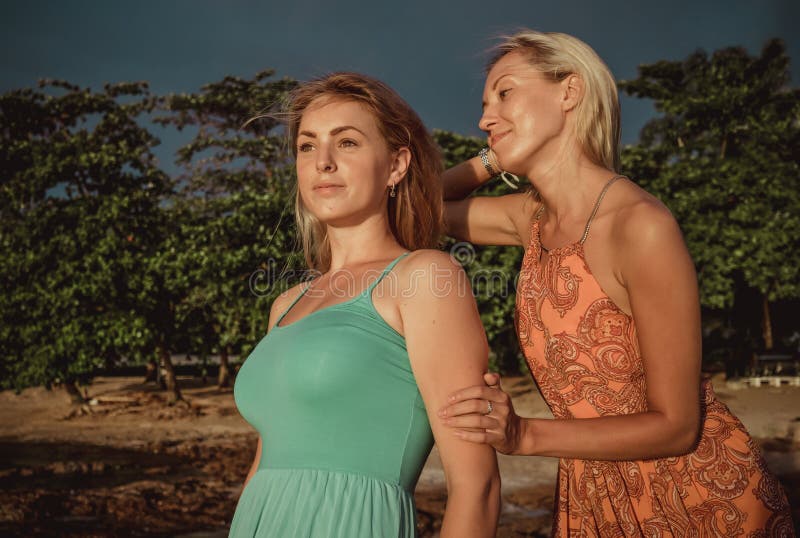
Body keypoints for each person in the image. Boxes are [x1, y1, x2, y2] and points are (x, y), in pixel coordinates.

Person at [438, 30, 793, 536]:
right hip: (592, 501)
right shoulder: (531, 218)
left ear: (569, 92)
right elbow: (411, 210)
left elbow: (677, 425)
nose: (484, 117)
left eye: (505, 92)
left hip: (699, 501)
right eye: (484, 103)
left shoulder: (640, 226)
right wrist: (495, 156)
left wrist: (522, 435)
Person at [229, 72, 500, 538]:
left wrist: (492, 160)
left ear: (396, 165)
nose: (323, 163)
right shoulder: (285, 304)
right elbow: (264, 466)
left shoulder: (424, 277)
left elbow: (478, 485)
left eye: (348, 143)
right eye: (307, 146)